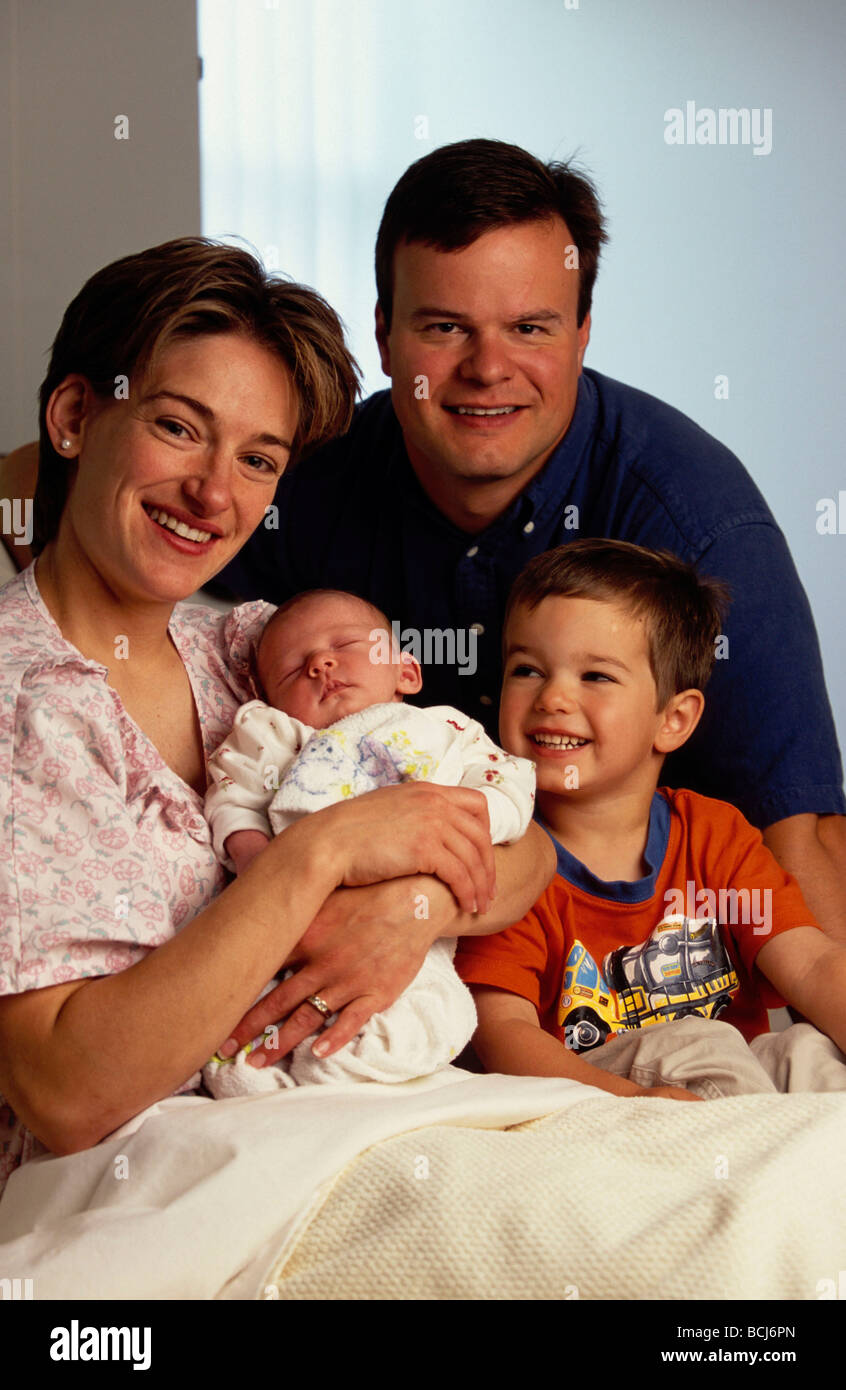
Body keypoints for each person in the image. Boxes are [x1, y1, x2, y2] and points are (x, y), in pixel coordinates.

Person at [4, 139, 844, 940]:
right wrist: (53, 650)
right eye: (444, 327)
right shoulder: (290, 471)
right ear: (385, 335)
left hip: (632, 968)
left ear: (583, 335)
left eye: (530, 328)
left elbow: (805, 843)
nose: (486, 368)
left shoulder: (696, 523)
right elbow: (62, 476)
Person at [0, 238, 553, 1198]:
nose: (215, 494)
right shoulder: (23, 704)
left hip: (340, 1128)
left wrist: (407, 910)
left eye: (258, 459)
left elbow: (529, 853)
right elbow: (67, 1090)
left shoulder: (255, 649)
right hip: (132, 1191)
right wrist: (322, 854)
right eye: (178, 427)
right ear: (76, 415)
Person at [455, 540, 846, 1101]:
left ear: (674, 719)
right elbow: (502, 1035)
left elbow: (810, 963)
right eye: (527, 669)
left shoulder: (714, 834)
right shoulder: (509, 856)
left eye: (596, 676)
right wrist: (634, 1106)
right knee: (701, 1044)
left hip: (734, 1081)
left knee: (806, 1050)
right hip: (594, 1092)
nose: (553, 696)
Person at [201, 587, 535, 1095]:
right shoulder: (277, 736)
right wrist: (257, 861)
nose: (321, 663)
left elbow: (509, 783)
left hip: (414, 936)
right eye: (293, 670)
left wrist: (475, 820)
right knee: (243, 1038)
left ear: (406, 672)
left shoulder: (444, 728)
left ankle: (353, 1080)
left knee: (427, 1015)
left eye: (345, 644)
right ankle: (269, 1089)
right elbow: (233, 797)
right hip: (291, 928)